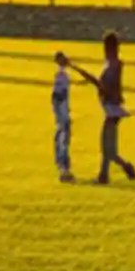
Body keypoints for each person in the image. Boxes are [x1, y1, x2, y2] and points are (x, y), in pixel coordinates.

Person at [70, 31, 135, 184]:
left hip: (113, 111)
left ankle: (114, 172)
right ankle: (110, 174)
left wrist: (87, 76)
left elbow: (106, 86)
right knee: (108, 148)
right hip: (111, 109)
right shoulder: (112, 64)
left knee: (108, 148)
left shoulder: (114, 65)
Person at [52, 51, 74, 183]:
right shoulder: (61, 76)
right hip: (62, 112)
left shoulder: (63, 75)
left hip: (62, 111)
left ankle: (63, 167)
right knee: (63, 138)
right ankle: (64, 170)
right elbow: (58, 96)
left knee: (61, 136)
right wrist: (63, 114)